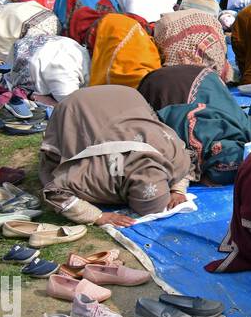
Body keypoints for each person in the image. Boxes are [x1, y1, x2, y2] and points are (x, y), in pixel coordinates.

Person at [39, 85, 192, 227]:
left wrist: (177, 189)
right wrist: (98, 217)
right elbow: (56, 193)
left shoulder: (174, 153)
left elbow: (186, 161)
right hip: (77, 104)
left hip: (127, 96)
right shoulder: (97, 175)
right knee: (70, 146)